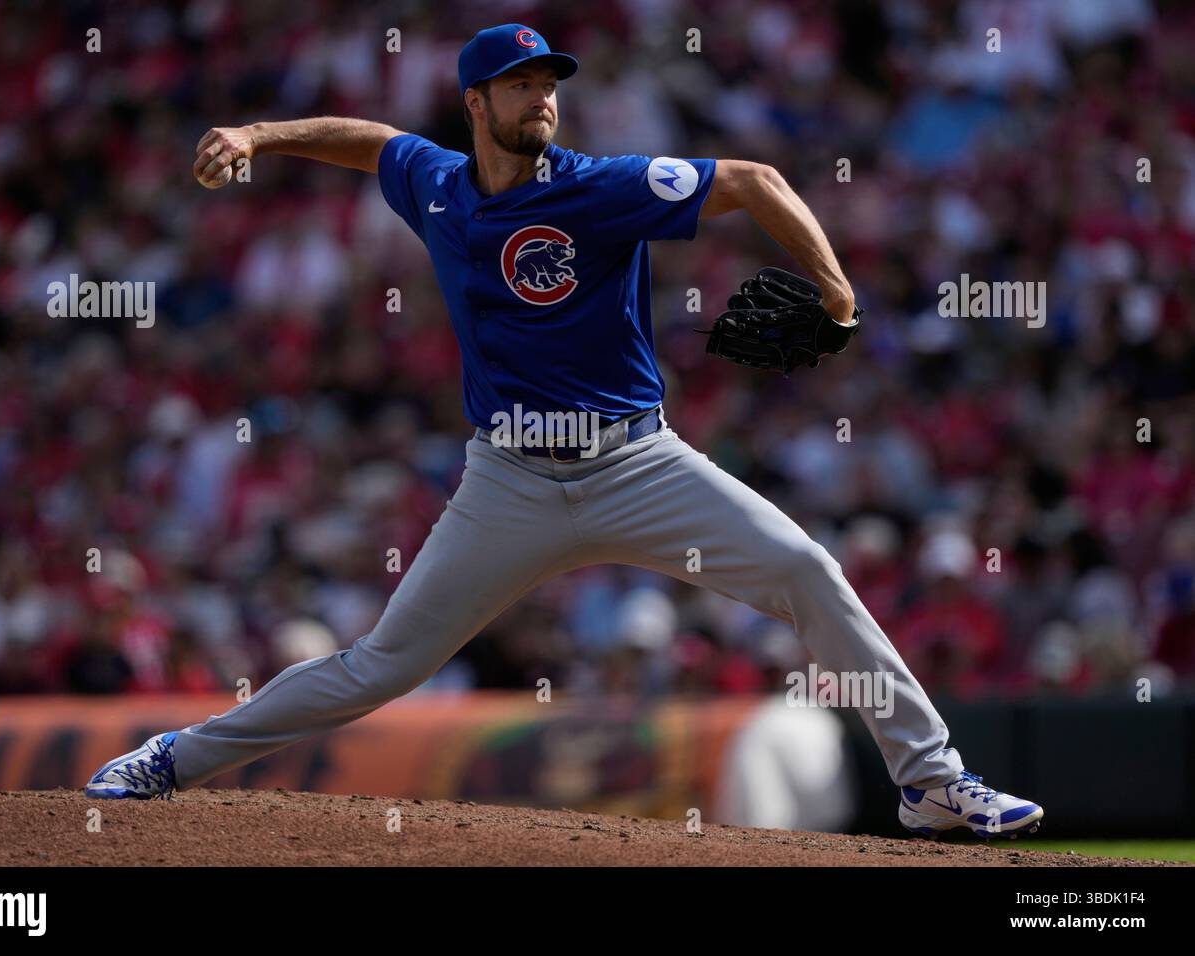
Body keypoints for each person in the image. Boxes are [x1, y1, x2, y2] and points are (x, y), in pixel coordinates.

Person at [87, 23, 1043, 840]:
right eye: (521, 84)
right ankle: (173, 758)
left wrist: (837, 291)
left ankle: (928, 781)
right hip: (508, 483)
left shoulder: (604, 187)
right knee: (379, 667)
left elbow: (752, 180)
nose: (542, 97)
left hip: (639, 463)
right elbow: (370, 141)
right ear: (476, 102)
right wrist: (260, 132)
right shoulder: (437, 184)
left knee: (808, 573)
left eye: (550, 83)